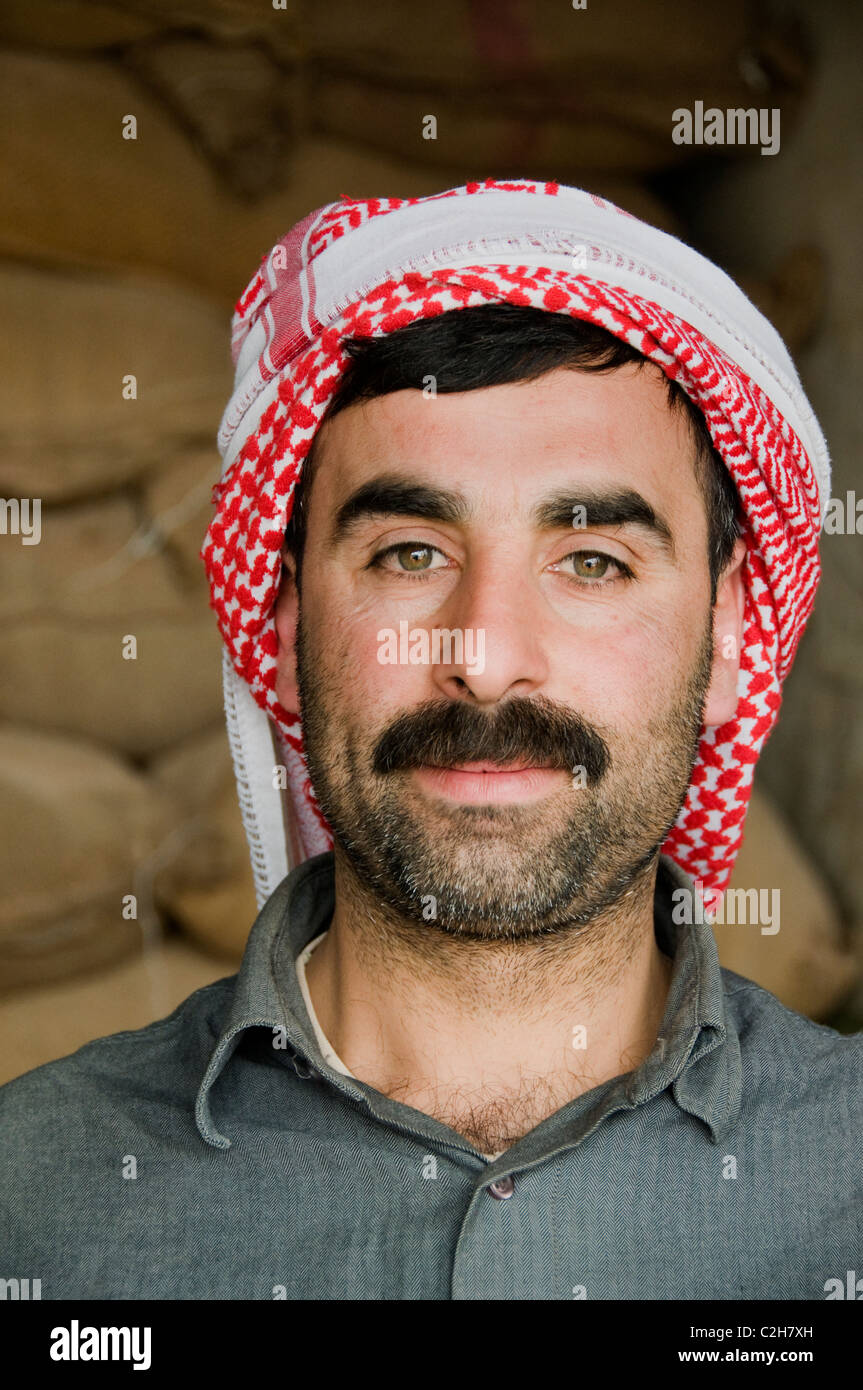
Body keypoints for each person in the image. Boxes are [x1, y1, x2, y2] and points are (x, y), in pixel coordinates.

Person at [1, 180, 859, 1301]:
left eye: (591, 561)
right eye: (408, 552)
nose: (487, 653)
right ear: (287, 617)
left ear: (733, 634)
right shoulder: (36, 1201)